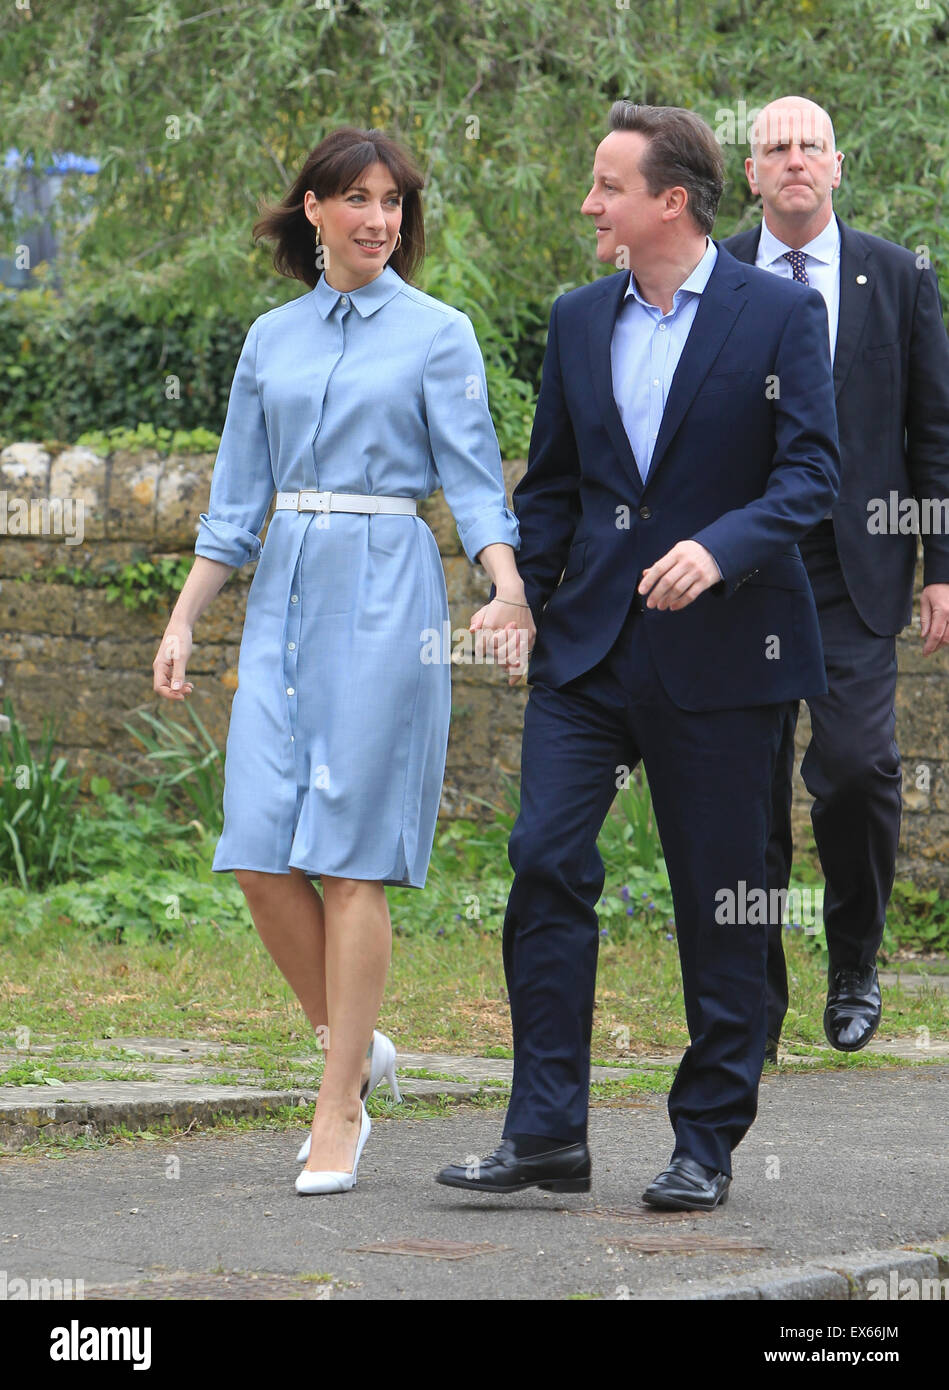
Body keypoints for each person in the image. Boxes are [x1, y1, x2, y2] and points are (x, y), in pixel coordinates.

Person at [436, 102, 840, 1211]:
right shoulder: (577, 319)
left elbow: (812, 475)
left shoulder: (779, 314)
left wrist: (719, 549)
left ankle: (704, 1140)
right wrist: (518, 593)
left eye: (606, 186)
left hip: (728, 654)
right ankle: (543, 1134)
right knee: (543, 860)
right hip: (589, 654)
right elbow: (555, 486)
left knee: (721, 898)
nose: (588, 204)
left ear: (671, 201)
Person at [152, 126, 528, 1196]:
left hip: (387, 591)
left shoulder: (438, 333)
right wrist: (183, 619)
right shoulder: (270, 338)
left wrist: (505, 586)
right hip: (284, 594)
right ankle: (351, 1044)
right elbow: (236, 502)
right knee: (256, 849)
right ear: (312, 209)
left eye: (392, 201)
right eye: (356, 198)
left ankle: (338, 1106)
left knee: (352, 859)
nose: (378, 218)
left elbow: (474, 482)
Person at [722, 97, 949, 1062]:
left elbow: (932, 429)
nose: (794, 160)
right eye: (775, 147)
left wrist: (940, 568)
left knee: (857, 769)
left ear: (837, 165)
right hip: (741, 564)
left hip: (856, 565)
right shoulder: (716, 271)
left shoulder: (896, 275)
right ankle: (753, 993)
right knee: (745, 780)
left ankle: (854, 960)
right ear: (750, 173)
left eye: (809, 146)